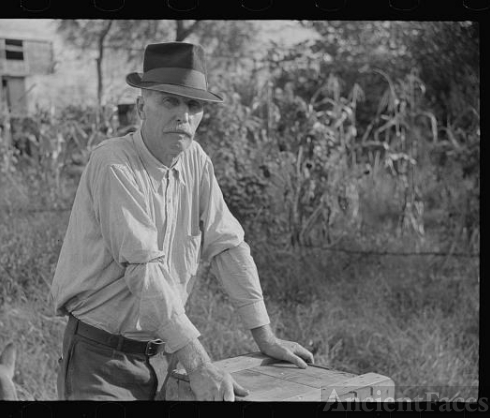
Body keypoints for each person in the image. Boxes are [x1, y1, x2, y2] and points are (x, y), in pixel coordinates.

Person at [51, 41, 314, 401]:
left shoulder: (196, 161)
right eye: (169, 101)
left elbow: (228, 245)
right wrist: (199, 365)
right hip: (100, 362)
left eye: (193, 105)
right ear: (142, 105)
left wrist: (264, 336)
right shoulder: (114, 164)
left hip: (162, 357)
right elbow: (144, 269)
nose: (183, 116)